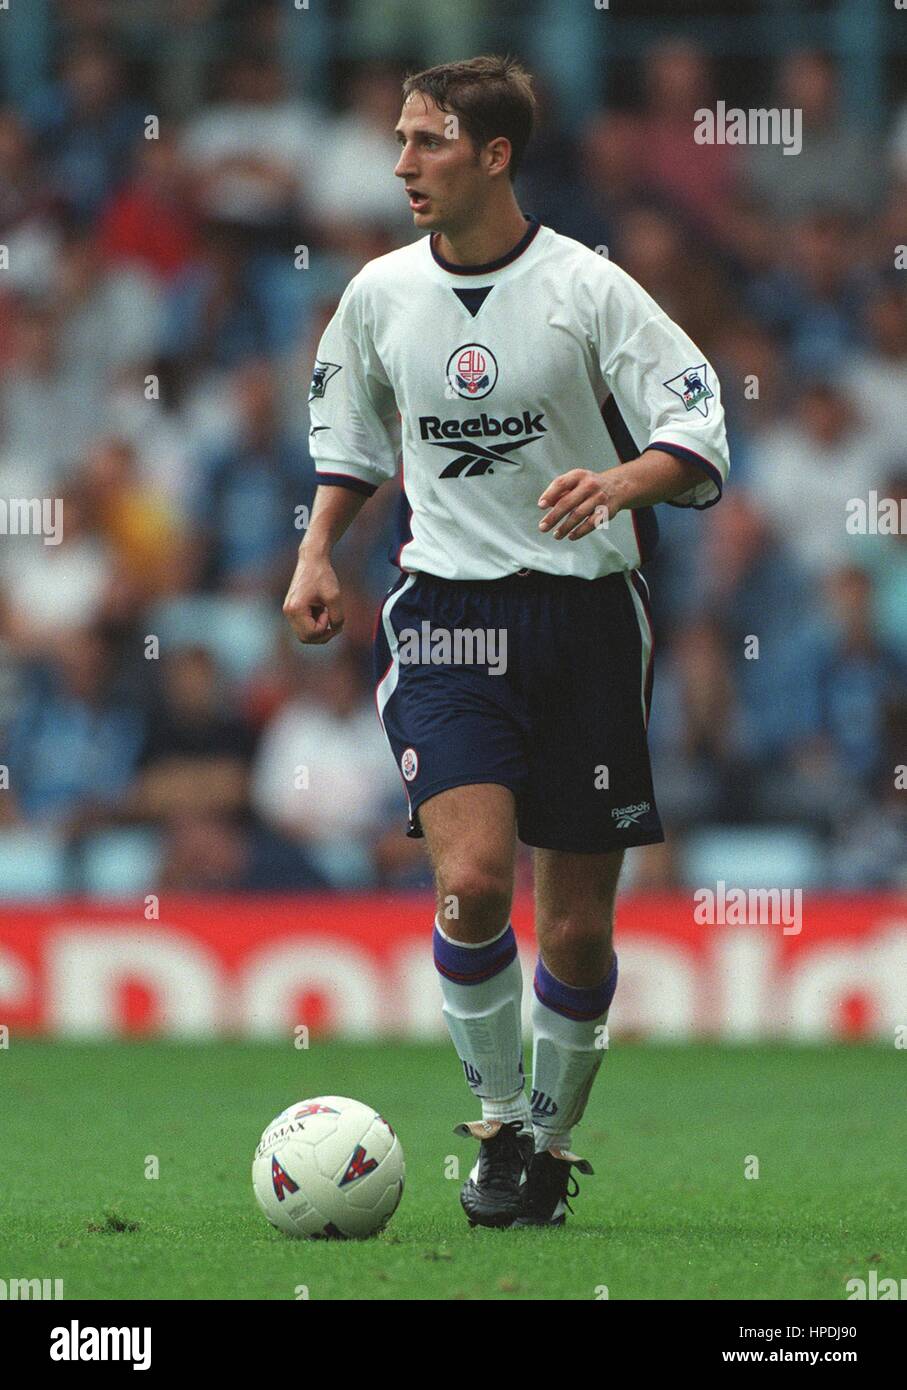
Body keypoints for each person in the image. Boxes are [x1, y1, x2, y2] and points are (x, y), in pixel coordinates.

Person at [283, 56, 730, 1229]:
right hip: (444, 614)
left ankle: (549, 1137)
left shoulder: (588, 287)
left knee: (576, 921)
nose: (400, 164)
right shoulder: (377, 294)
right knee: (474, 883)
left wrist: (623, 479)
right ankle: (495, 1127)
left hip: (585, 616)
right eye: (396, 139)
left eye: (426, 141)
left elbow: (699, 418)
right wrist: (317, 550)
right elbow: (349, 443)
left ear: (493, 155)